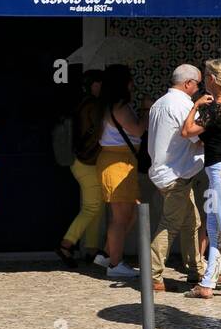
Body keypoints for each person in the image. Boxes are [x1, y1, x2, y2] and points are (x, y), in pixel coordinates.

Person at [147, 64, 205, 292]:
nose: (198, 88)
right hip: (176, 174)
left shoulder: (159, 103)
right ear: (188, 83)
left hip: (166, 172)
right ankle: (153, 275)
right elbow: (194, 137)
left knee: (192, 222)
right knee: (170, 224)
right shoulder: (183, 105)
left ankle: (197, 271)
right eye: (198, 84)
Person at [180, 59, 221, 297]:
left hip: (218, 171)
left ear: (211, 80)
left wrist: (195, 105)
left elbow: (187, 131)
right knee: (214, 225)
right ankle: (207, 283)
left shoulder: (214, 109)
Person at [93, 64, 143, 279]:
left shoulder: (111, 105)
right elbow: (138, 129)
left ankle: (107, 254)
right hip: (118, 165)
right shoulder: (119, 107)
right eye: (130, 79)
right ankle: (115, 264)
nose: (133, 83)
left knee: (130, 212)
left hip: (121, 162)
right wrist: (149, 110)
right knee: (120, 218)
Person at [56, 69, 103, 268]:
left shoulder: (82, 103)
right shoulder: (91, 105)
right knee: (93, 206)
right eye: (101, 83)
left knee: (95, 206)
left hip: (82, 160)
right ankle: (66, 245)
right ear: (93, 84)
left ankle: (91, 249)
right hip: (86, 161)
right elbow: (94, 133)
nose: (103, 87)